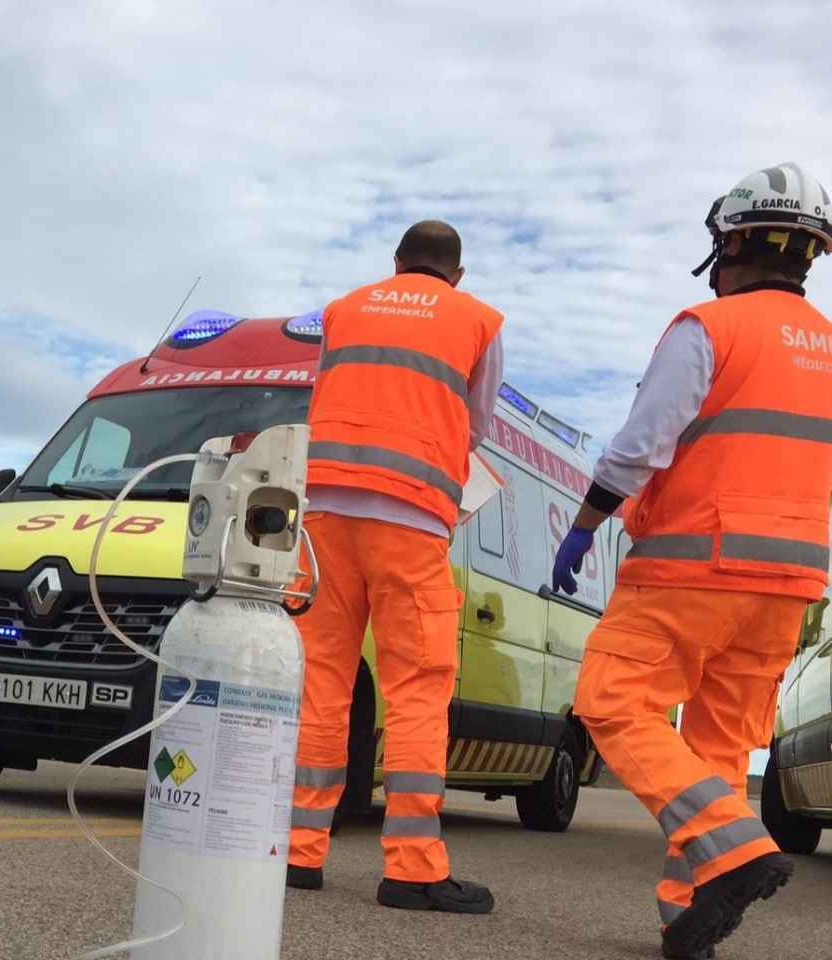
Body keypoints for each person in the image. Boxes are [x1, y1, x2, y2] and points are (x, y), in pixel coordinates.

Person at [554, 163, 832, 960]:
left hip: (691, 564)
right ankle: (687, 916)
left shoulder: (708, 328)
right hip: (790, 582)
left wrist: (585, 525)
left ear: (731, 243)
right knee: (717, 750)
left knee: (611, 700)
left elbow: (640, 445)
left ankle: (733, 849)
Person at [287, 220, 504, 914]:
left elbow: (322, 396)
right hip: (411, 516)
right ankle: (411, 866)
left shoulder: (344, 310)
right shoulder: (477, 320)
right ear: (456, 274)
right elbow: (476, 424)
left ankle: (297, 851)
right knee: (417, 687)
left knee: (322, 680)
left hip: (323, 513)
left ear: (396, 263)